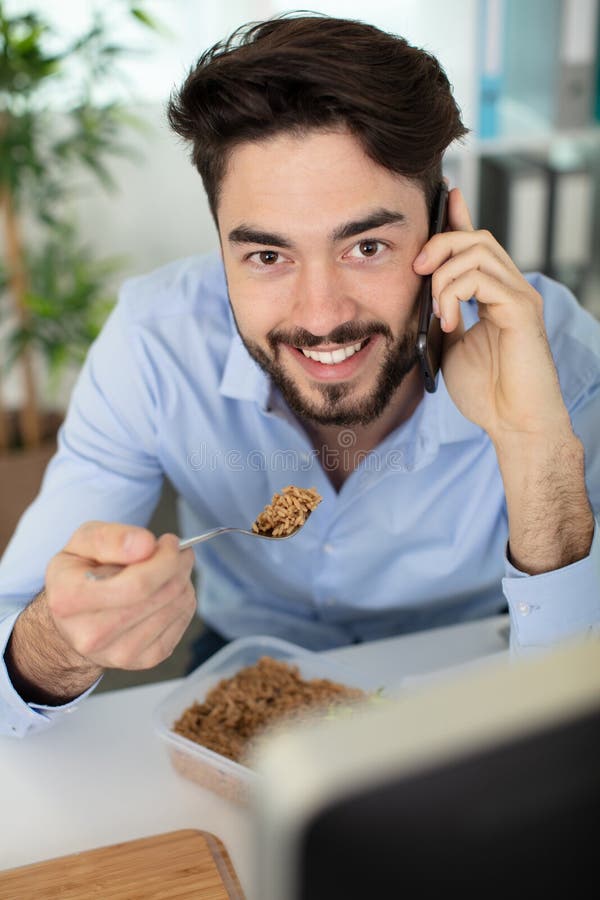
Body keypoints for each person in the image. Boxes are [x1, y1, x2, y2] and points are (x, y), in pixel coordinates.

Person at [1, 13, 599, 738]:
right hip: (239, 666)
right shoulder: (155, 342)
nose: (320, 316)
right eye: (266, 256)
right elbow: (17, 632)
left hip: (476, 658)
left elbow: (579, 692)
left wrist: (534, 442)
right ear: (219, 241)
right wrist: (58, 642)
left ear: (444, 224)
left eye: (367, 246)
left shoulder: (550, 345)